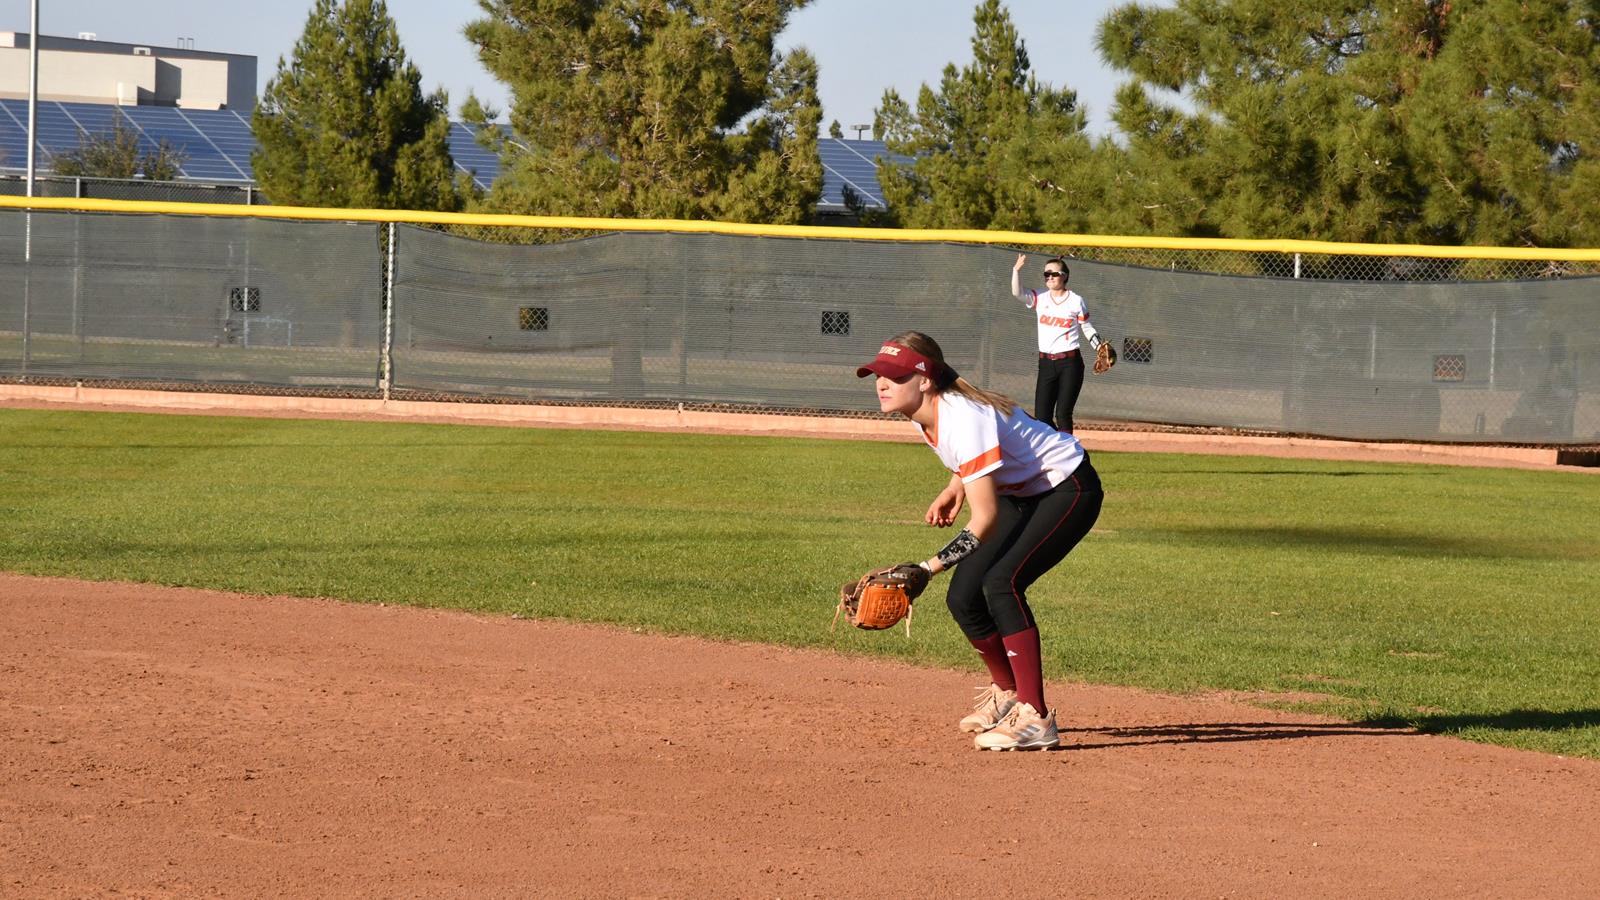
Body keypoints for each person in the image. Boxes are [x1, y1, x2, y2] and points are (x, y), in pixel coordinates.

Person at [855, 331, 1105, 751]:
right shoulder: (923, 413)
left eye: (895, 376)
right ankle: (1008, 693)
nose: (882, 383)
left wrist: (927, 568)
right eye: (878, 374)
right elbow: (976, 455)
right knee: (964, 597)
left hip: (1066, 487)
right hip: (1022, 492)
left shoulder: (961, 415)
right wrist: (955, 486)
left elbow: (985, 519)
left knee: (1002, 583)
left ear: (925, 380)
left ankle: (1036, 717)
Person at [1011, 253, 1109, 433]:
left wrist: (1099, 346)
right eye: (1046, 274)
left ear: (1064, 276)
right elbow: (1017, 293)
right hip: (1046, 363)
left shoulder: (1075, 301)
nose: (1049, 277)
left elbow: (1086, 327)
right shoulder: (1040, 297)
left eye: (1054, 274)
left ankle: (1068, 448)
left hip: (1070, 363)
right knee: (1042, 416)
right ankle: (1057, 445)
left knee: (1063, 413)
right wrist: (1016, 270)